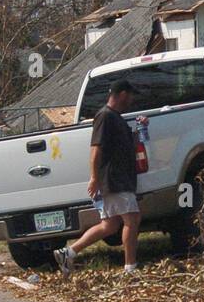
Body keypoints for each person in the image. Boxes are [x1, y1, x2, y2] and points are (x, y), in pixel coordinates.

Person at [54, 79, 148, 275]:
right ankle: (130, 267)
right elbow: (96, 149)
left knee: (110, 225)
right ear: (122, 94)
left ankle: (68, 253)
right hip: (114, 180)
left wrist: (141, 128)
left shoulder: (116, 118)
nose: (132, 100)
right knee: (132, 219)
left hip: (118, 179)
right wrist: (94, 178)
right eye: (130, 96)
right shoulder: (105, 117)